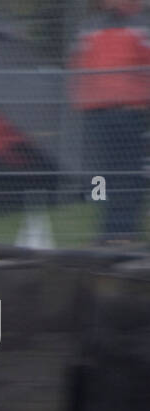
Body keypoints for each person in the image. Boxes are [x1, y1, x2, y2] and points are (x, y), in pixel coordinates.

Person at [69, 0, 150, 242]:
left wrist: (82, 101)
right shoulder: (139, 26)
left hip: (97, 112)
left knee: (107, 173)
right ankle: (123, 229)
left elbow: (78, 67)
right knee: (129, 172)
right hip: (127, 110)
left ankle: (109, 230)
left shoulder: (89, 29)